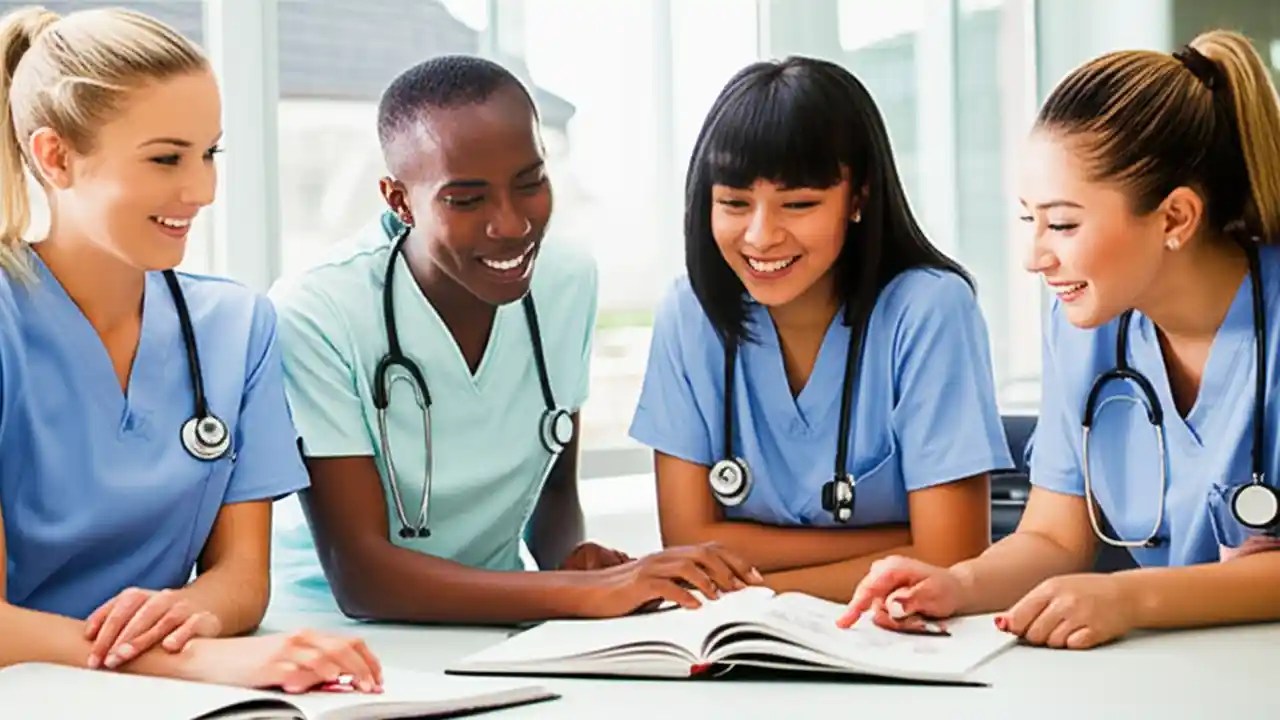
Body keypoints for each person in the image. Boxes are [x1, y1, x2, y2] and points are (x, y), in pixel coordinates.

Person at [269, 55, 761, 624]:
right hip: (333, 636)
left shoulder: (566, 282)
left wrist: (577, 564)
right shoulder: (317, 311)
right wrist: (584, 594)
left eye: (530, 183)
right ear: (399, 200)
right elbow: (362, 579)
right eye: (467, 199)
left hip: (502, 624)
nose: (512, 224)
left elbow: (551, 498)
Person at [842, 30, 1280, 649]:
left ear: (1176, 218)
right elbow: (1055, 538)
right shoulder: (1086, 327)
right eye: (1030, 219)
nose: (1034, 257)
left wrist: (1130, 598)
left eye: (1064, 223)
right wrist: (956, 584)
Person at [0, 6, 381, 693]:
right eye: (166, 158)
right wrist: (195, 659)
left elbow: (240, 580)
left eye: (210, 153)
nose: (201, 190)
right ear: (54, 156)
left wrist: (186, 614)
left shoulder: (237, 327)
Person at [627, 56, 1014, 604]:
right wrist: (901, 543)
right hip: (741, 654)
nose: (761, 236)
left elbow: (951, 557)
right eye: (734, 203)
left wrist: (755, 591)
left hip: (904, 636)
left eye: (799, 204)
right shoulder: (690, 313)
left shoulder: (929, 309)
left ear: (858, 198)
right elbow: (688, 541)